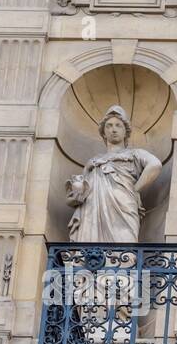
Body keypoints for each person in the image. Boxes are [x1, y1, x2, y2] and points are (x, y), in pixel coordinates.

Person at [67, 105, 162, 244]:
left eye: (118, 125)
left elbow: (155, 165)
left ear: (126, 132)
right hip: (93, 210)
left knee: (125, 251)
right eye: (109, 126)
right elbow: (80, 196)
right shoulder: (93, 161)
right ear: (104, 133)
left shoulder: (134, 154)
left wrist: (135, 190)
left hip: (124, 204)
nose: (113, 129)